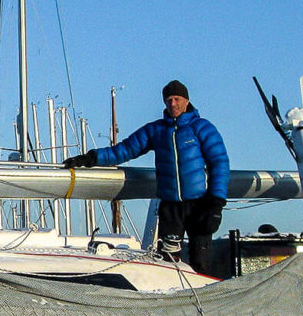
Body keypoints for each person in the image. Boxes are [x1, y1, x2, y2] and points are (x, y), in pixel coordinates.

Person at [63, 80, 229, 275]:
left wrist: (216, 203)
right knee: (167, 264)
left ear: (186, 101)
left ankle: (206, 291)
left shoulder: (202, 128)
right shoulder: (156, 130)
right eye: (168, 100)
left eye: (177, 99)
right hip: (171, 208)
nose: (173, 104)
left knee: (201, 263)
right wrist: (90, 158)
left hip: (199, 205)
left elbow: (219, 162)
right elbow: (124, 150)